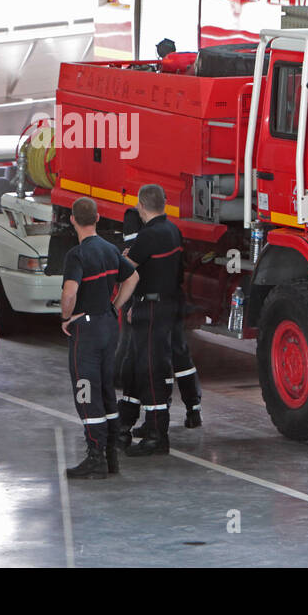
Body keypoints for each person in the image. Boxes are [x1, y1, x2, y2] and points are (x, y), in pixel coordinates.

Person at [60, 196, 137, 479]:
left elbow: (69, 293)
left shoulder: (77, 256)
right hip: (108, 325)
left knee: (85, 390)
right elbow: (132, 278)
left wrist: (66, 317)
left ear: (72, 220)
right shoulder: (110, 249)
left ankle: (95, 457)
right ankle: (110, 455)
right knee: (105, 389)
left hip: (87, 331)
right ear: (97, 218)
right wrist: (114, 307)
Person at [117, 185, 185, 457]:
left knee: (149, 369)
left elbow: (127, 271)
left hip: (151, 308)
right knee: (135, 364)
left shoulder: (147, 236)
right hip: (164, 305)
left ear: (141, 206)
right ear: (164, 203)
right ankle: (135, 422)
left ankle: (158, 434)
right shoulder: (173, 230)